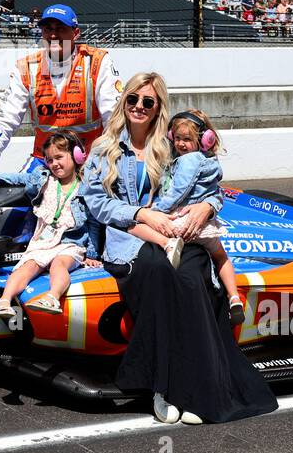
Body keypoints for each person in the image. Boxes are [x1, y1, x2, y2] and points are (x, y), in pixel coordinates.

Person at [81, 71, 278, 426]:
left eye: (148, 102)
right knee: (158, 272)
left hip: (181, 233)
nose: (139, 107)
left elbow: (210, 186)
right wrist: (141, 213)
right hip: (129, 238)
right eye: (132, 99)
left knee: (189, 278)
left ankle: (199, 389)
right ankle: (164, 387)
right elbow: (96, 204)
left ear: (158, 108)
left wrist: (208, 207)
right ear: (123, 102)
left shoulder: (173, 145)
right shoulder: (102, 149)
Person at [0, 3, 120, 193]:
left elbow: (114, 118)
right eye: (48, 29)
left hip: (89, 160)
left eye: (61, 29)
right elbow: (6, 120)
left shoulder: (96, 61)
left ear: (76, 33)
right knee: (16, 210)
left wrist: (112, 162)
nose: (53, 35)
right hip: (45, 160)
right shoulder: (27, 67)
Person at [127, 110, 245, 325]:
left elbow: (178, 192)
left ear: (204, 140)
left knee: (132, 225)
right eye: (178, 138)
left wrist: (155, 211)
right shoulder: (207, 159)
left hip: (181, 220)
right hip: (204, 227)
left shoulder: (190, 160)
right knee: (220, 256)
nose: (181, 144)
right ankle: (234, 296)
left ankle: (168, 244)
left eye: (187, 139)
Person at [0, 132, 102, 317]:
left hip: (70, 242)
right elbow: (18, 178)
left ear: (77, 155)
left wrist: (92, 254)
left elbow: (94, 223)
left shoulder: (86, 187)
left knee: (58, 265)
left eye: (59, 157)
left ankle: (52, 297)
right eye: (49, 159)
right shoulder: (43, 178)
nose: (54, 164)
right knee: (27, 267)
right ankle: (4, 301)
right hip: (42, 240)